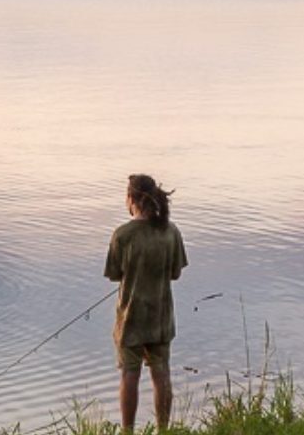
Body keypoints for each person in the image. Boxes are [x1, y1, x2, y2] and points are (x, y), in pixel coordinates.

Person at [106, 174, 188, 430]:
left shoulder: (122, 234)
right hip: (161, 318)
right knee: (161, 373)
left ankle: (127, 431)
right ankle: (163, 429)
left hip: (130, 319)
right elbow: (175, 273)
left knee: (130, 374)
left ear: (131, 199)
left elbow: (114, 275)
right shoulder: (171, 231)